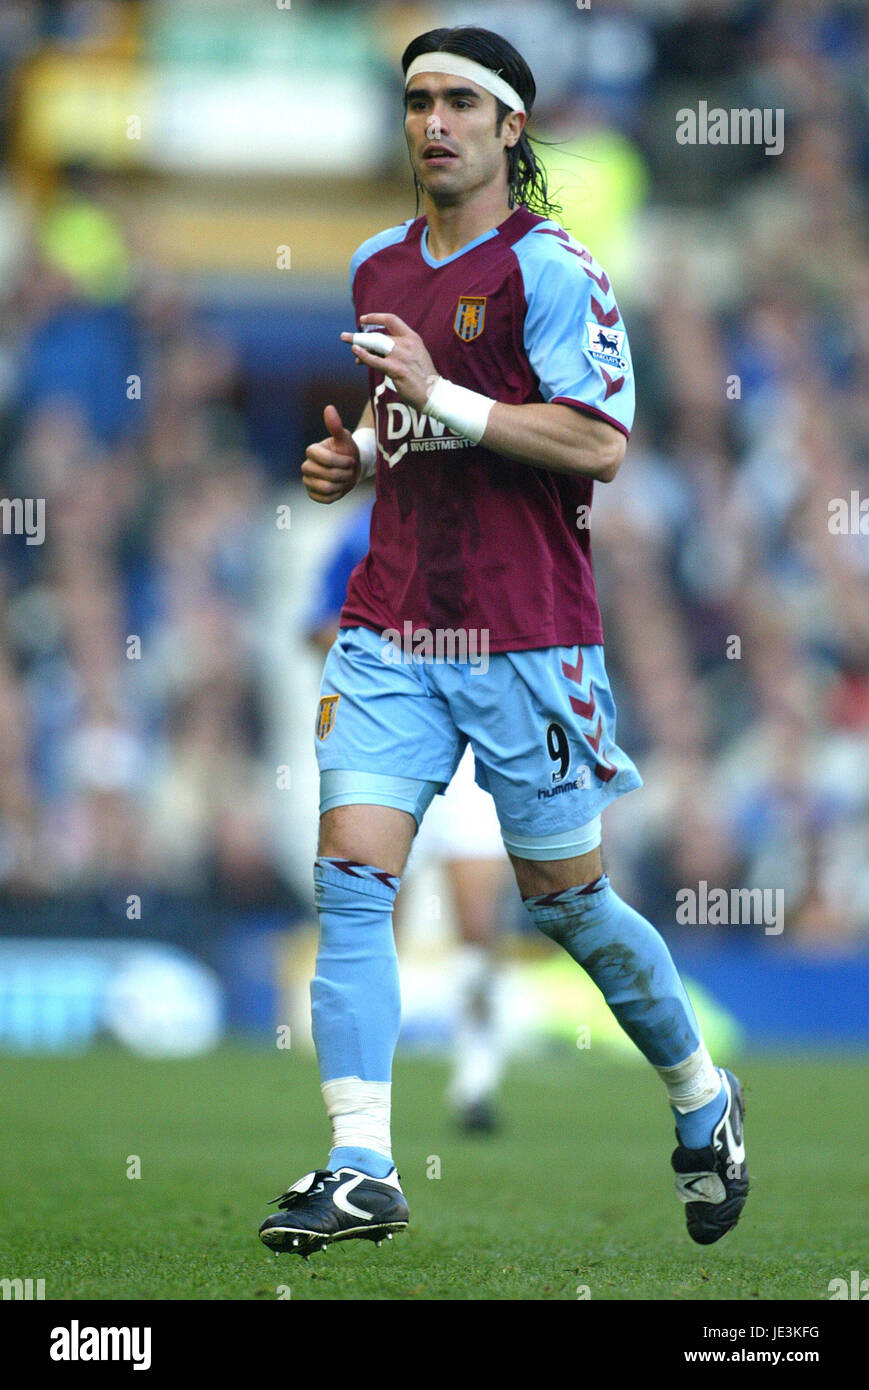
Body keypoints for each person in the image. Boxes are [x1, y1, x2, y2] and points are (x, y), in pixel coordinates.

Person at [259, 26, 748, 1258]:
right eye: (416, 100)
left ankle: (702, 1097)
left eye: (459, 103)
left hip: (526, 634)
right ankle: (361, 1161)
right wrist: (354, 458)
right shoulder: (377, 263)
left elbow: (595, 442)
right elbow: (396, 418)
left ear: (508, 127)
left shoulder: (555, 269)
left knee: (566, 907)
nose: (432, 121)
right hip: (391, 624)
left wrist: (439, 400)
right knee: (352, 874)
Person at [305, 496, 514, 1134]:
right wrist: (391, 646)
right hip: (393, 742)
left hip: (475, 745)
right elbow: (318, 626)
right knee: (374, 914)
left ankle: (475, 1081)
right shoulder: (367, 527)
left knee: (478, 920)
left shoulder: (496, 518)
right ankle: (372, 1097)